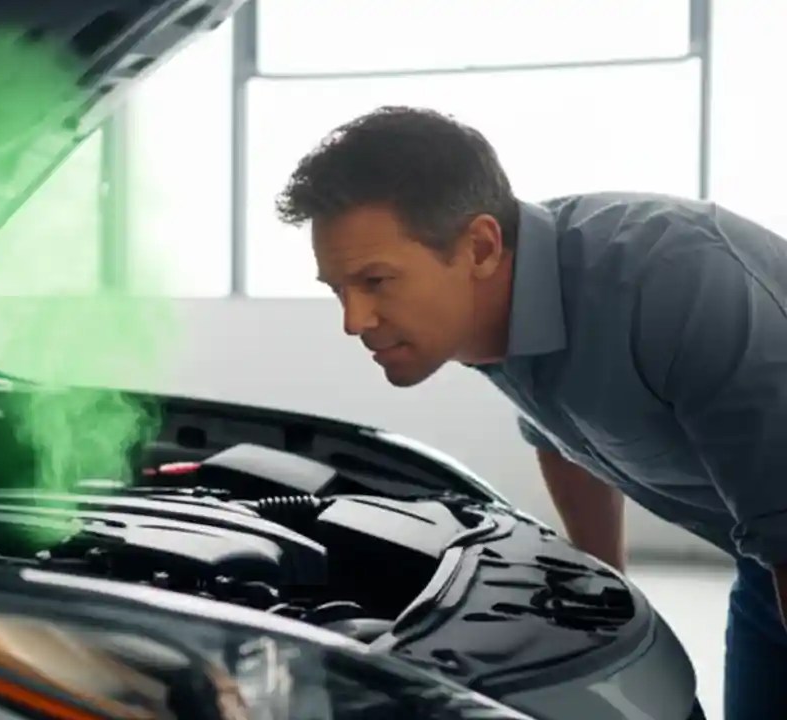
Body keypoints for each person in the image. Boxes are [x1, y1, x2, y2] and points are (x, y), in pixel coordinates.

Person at [274, 105, 787, 720]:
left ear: (480, 247)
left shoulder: (676, 283)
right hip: (766, 563)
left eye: (376, 281)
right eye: (338, 289)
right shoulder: (501, 310)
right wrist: (606, 595)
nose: (354, 320)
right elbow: (561, 434)